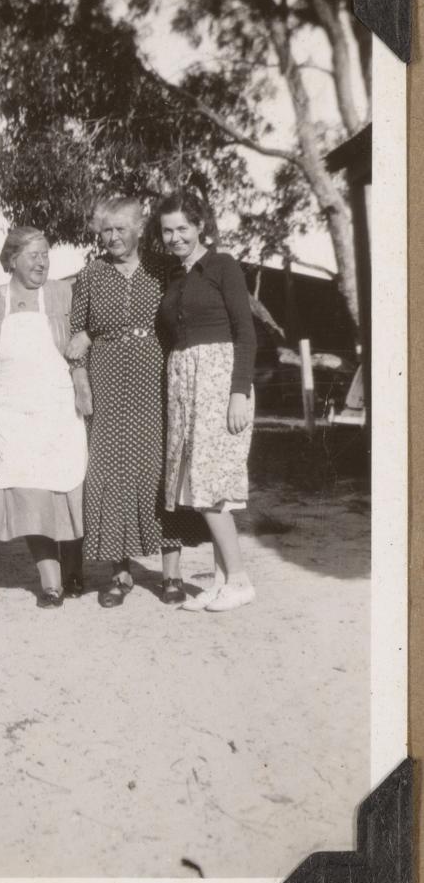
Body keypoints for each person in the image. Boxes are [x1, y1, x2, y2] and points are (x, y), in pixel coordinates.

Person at [69, 196, 209, 608]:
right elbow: (78, 333)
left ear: (138, 229)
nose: (112, 237)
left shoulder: (164, 268)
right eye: (106, 230)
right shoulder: (92, 273)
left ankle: (171, 574)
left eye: (120, 229)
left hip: (157, 378)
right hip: (107, 380)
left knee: (160, 472)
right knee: (109, 475)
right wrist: (82, 375)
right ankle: (119, 574)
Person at [0, 226, 87, 607]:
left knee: (66, 489)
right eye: (33, 255)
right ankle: (50, 581)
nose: (42, 262)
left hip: (57, 408)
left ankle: (73, 566)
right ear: (11, 259)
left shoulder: (66, 295)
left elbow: (84, 342)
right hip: (11, 414)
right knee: (29, 494)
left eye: (46, 254)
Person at [157, 190, 257, 611]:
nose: (176, 237)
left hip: (218, 383)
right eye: (167, 231)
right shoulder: (175, 276)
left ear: (200, 227)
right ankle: (218, 582)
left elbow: (245, 332)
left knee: (211, 485)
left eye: (183, 228)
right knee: (198, 482)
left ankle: (239, 580)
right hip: (184, 386)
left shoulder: (222, 265)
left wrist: (239, 391)